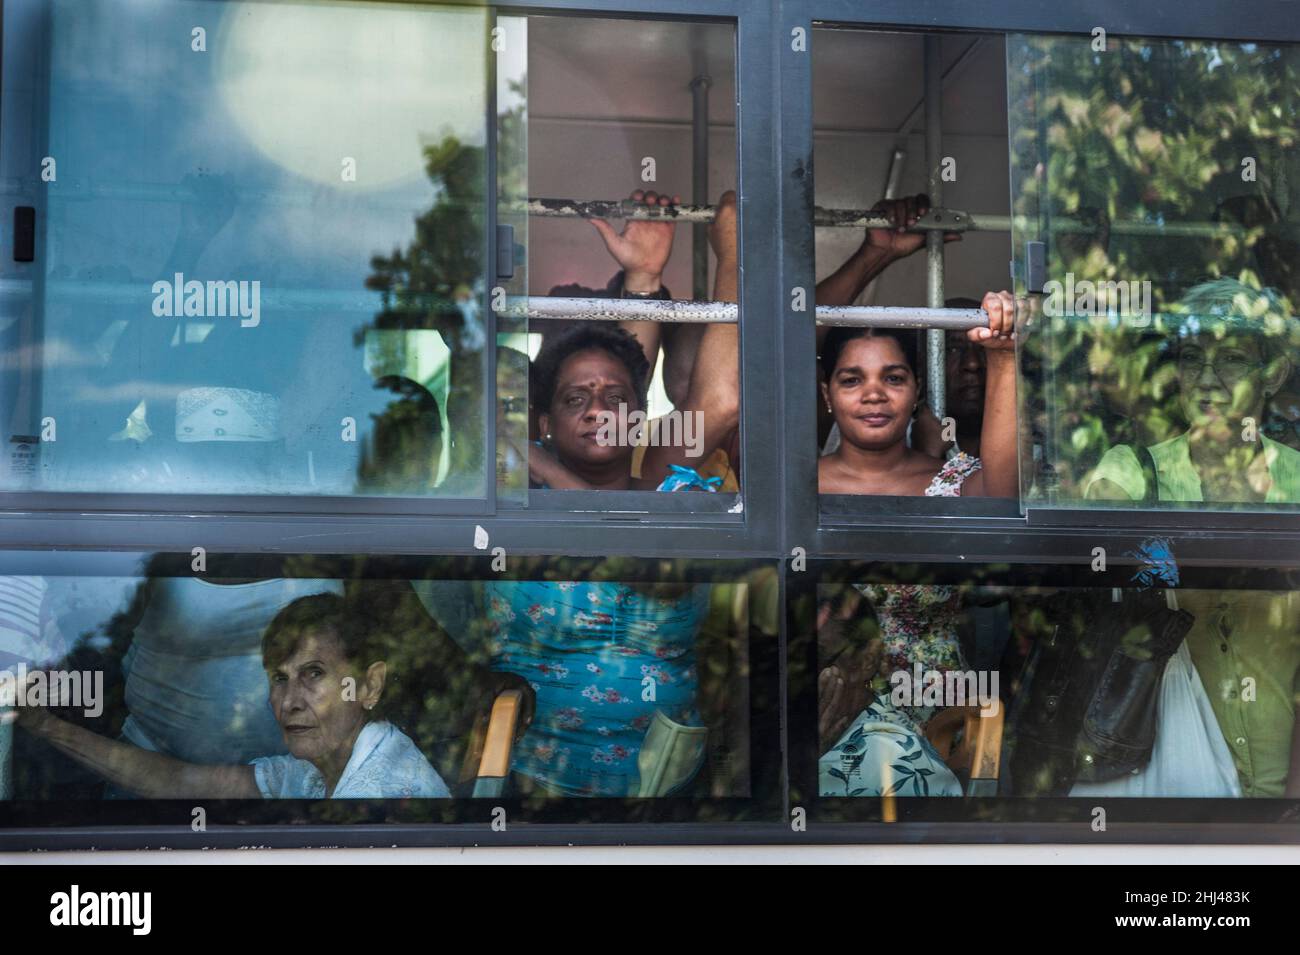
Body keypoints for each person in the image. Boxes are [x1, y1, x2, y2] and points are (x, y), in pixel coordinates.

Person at [15, 594, 449, 799]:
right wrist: (46, 726)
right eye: (279, 679)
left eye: (314, 674)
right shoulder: (321, 768)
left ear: (370, 685)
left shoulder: (381, 793)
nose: (290, 701)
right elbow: (181, 782)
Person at [525, 192, 740, 491]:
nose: (597, 410)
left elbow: (721, 402)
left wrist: (644, 278)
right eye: (575, 399)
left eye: (616, 399)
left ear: (638, 421)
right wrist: (733, 254)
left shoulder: (664, 487)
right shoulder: (515, 494)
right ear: (545, 425)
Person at [1085, 278, 1300, 504]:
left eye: (1231, 359)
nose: (1206, 380)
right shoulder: (1132, 469)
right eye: (1191, 357)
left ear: (1273, 376)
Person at [816, 291, 1018, 497]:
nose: (874, 395)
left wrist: (1003, 353)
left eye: (893, 378)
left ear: (917, 389)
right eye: (852, 381)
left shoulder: (958, 480)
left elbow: (1000, 496)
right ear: (827, 394)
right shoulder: (792, 483)